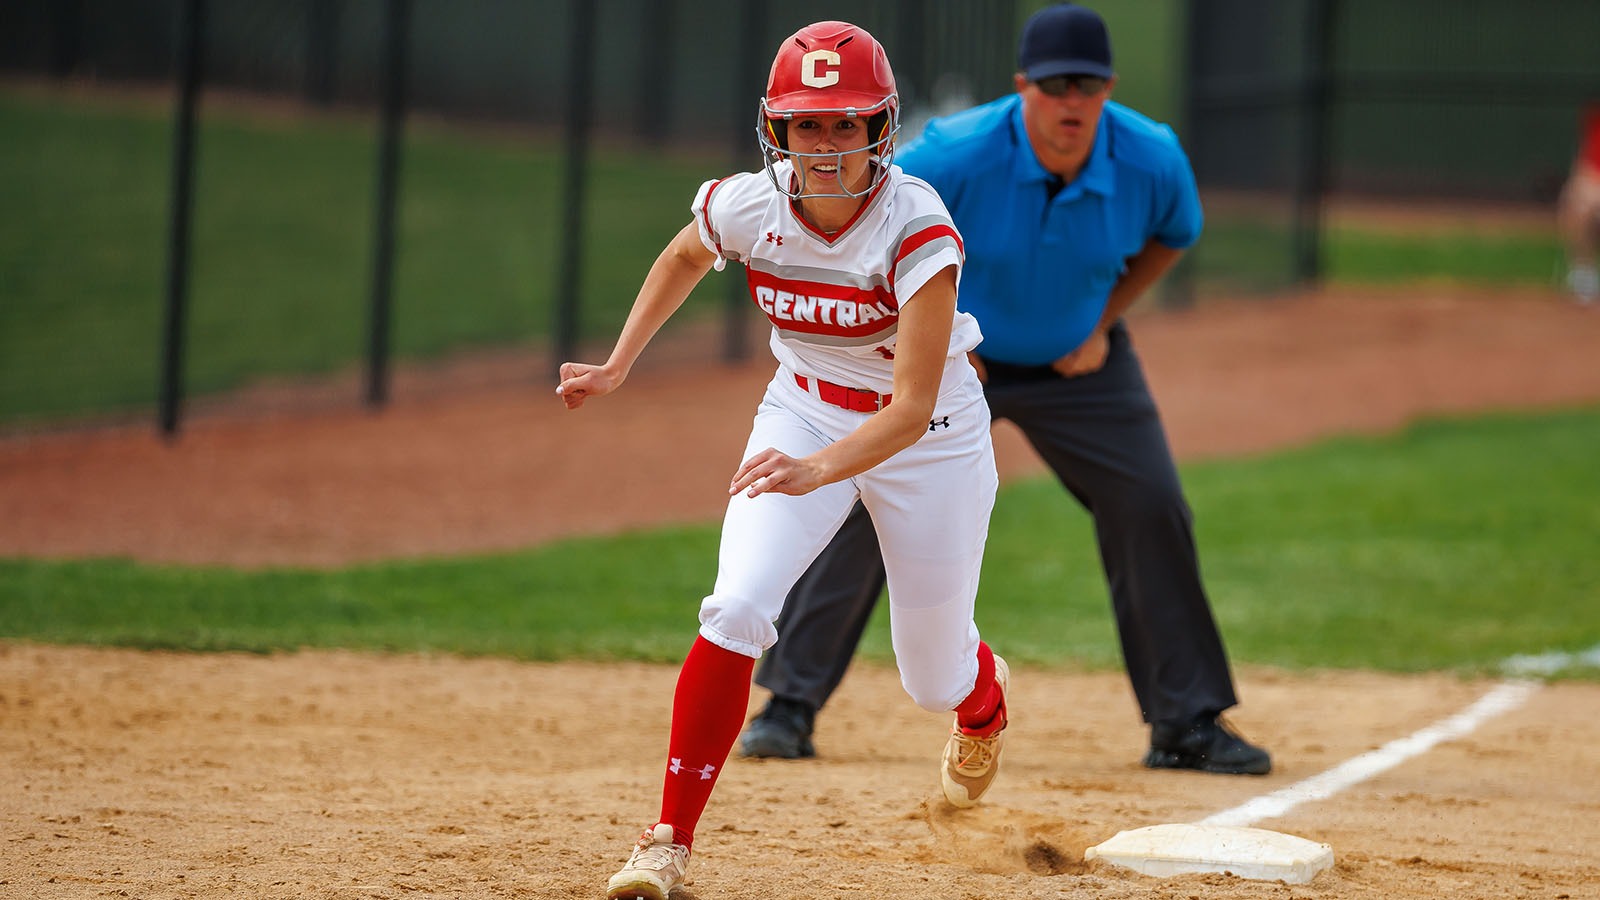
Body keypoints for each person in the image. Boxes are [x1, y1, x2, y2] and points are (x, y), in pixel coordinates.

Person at [739, 2, 1273, 777]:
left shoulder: (1152, 156)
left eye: (1087, 86)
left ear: (1109, 88)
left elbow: (1174, 236)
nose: (1071, 103)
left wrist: (1104, 320)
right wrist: (934, 343)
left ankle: (1187, 721)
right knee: (867, 484)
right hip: (957, 357)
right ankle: (789, 703)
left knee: (1150, 499)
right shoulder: (956, 153)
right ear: (1023, 86)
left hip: (1077, 361)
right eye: (1055, 85)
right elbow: (877, 222)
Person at [557, 21, 1012, 900]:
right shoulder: (751, 203)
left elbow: (913, 407)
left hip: (931, 440)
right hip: (801, 411)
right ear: (778, 130)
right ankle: (666, 845)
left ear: (883, 127)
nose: (827, 145)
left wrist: (818, 472)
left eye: (847, 124)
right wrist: (618, 364)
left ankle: (981, 698)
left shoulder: (916, 227)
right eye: (809, 125)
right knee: (735, 606)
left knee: (930, 676)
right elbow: (686, 252)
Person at [1558, 99, 1600, 304]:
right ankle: (1584, 275)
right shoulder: (1595, 120)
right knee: (1577, 204)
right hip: (1594, 180)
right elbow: (1585, 165)